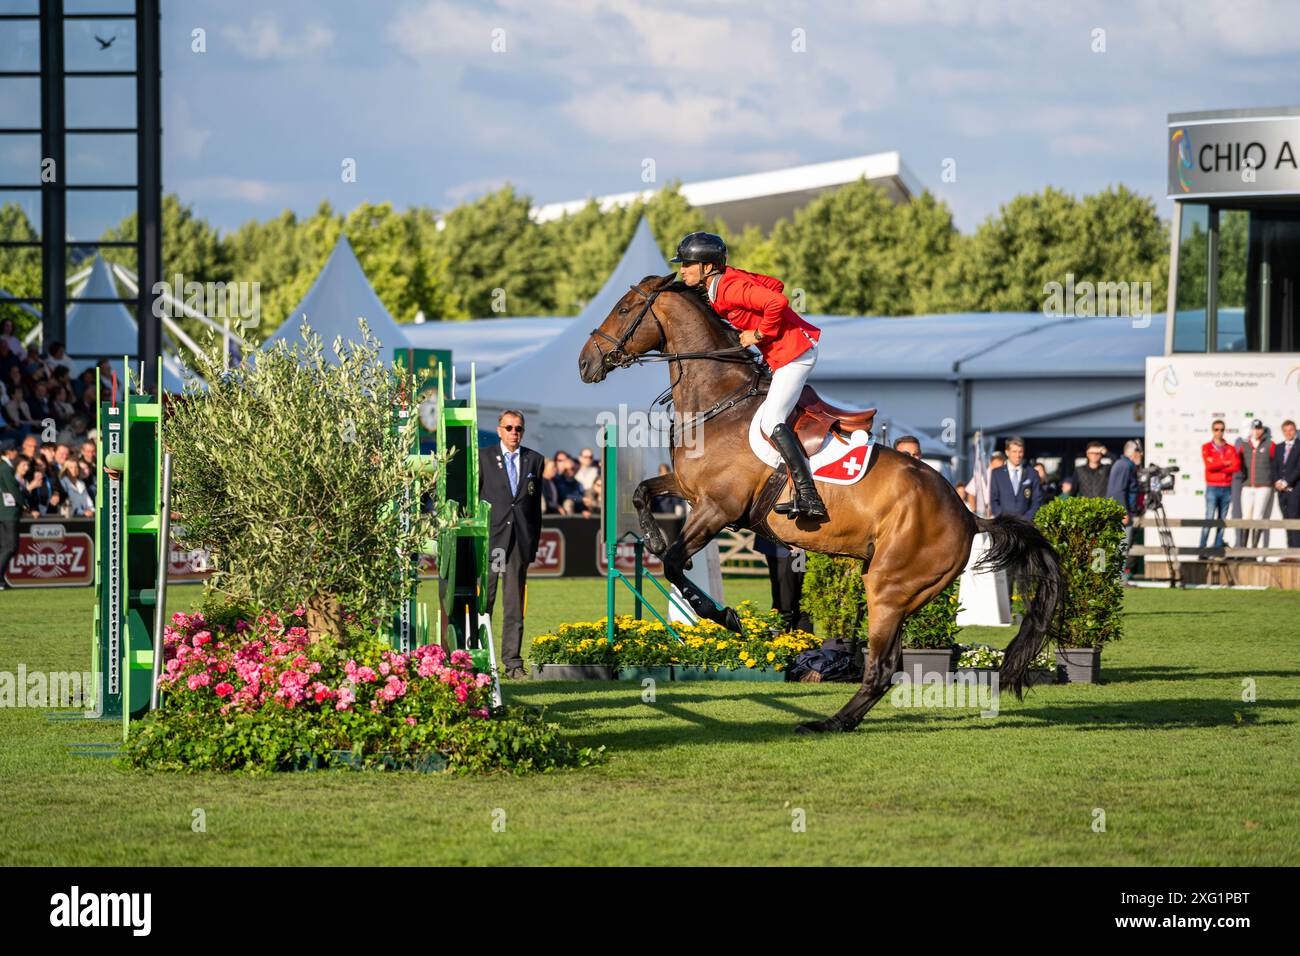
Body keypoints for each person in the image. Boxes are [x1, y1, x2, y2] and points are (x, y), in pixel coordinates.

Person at [673, 231, 826, 518]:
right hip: (783, 353)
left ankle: (809, 495)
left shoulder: (728, 288)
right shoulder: (723, 282)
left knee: (771, 421)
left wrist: (757, 333)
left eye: (687, 264)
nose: (682, 269)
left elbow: (776, 303)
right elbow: (776, 285)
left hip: (795, 354)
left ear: (707, 267)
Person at [478, 410, 544, 680]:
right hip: (494, 540)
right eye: (509, 428)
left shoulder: (535, 460)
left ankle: (513, 662)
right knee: (487, 600)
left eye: (518, 428)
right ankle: (480, 658)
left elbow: (535, 505)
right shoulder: (484, 458)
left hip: (519, 541)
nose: (514, 433)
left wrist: (533, 543)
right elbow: (475, 499)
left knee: (515, 604)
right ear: (499, 430)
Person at [1199, 419, 1239, 554]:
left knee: (1222, 521)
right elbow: (1209, 467)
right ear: (1212, 430)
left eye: (1221, 429)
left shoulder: (1230, 448)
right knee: (1209, 519)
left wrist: (1220, 466)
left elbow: (1236, 466)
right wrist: (1225, 463)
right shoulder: (1206, 447)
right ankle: (1202, 549)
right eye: (1216, 429)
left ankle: (1216, 549)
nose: (1219, 432)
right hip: (1212, 488)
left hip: (1226, 488)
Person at [1106, 439, 1143, 584]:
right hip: (1121, 513)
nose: (1141, 455)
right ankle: (1117, 578)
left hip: (1122, 511)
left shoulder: (1124, 465)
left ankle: (1116, 577)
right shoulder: (1123, 465)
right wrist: (1123, 512)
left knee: (1120, 546)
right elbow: (1118, 490)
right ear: (1134, 453)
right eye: (1139, 452)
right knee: (1120, 546)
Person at [1239, 419, 1275, 551]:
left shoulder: (1270, 445)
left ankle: (1253, 550)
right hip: (1247, 486)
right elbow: (1239, 463)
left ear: (1262, 430)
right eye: (1254, 428)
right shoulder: (1244, 445)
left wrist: (1273, 479)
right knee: (1246, 517)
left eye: (1259, 428)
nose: (1256, 431)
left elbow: (1275, 464)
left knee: (1258, 516)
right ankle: (1243, 549)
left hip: (1263, 486)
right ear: (1251, 430)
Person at [989, 437, 1042, 520]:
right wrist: (1004, 520)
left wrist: (1025, 520)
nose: (1017, 455)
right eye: (1014, 451)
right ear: (1007, 452)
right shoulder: (997, 474)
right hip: (1004, 524)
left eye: (1020, 452)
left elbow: (1037, 501)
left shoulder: (1032, 473)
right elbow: (994, 501)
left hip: (1026, 524)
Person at [1272, 419, 1300, 552]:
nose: (1288, 433)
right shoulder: (1279, 447)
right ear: (1283, 432)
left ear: (1295, 431)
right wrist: (1277, 481)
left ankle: (1296, 552)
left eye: (1291, 430)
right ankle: (1290, 550)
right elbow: (1274, 468)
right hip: (1281, 491)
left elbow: (1298, 469)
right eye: (1286, 431)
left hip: (1295, 490)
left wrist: (1286, 482)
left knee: (1295, 520)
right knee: (1286, 519)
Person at [0, 438, 24, 587]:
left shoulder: (4, 466)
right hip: (8, 513)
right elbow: (13, 490)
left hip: (4, 512)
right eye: (16, 450)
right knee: (10, 547)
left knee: (5, 547)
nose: (17, 453)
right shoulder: (5, 468)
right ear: (10, 452)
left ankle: (1, 579)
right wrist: (26, 505)